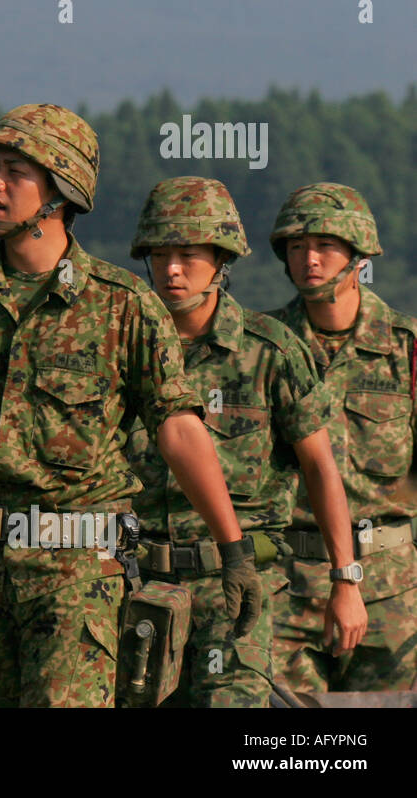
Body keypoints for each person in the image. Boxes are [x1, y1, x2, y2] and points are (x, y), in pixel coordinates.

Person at [0, 103, 261, 707]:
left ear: (61, 191)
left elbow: (178, 429)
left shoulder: (124, 307)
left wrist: (234, 550)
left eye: (15, 172)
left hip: (78, 578)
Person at [125, 176, 366, 707]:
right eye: (159, 254)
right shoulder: (124, 348)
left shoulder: (270, 352)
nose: (171, 270)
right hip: (134, 588)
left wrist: (345, 580)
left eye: (187, 254)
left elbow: (321, 468)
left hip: (234, 590)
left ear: (222, 258)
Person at [264, 183, 417, 693]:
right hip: (288, 585)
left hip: (395, 594)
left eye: (326, 246)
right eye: (297, 247)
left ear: (358, 255)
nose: (310, 259)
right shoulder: (263, 348)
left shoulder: (407, 350)